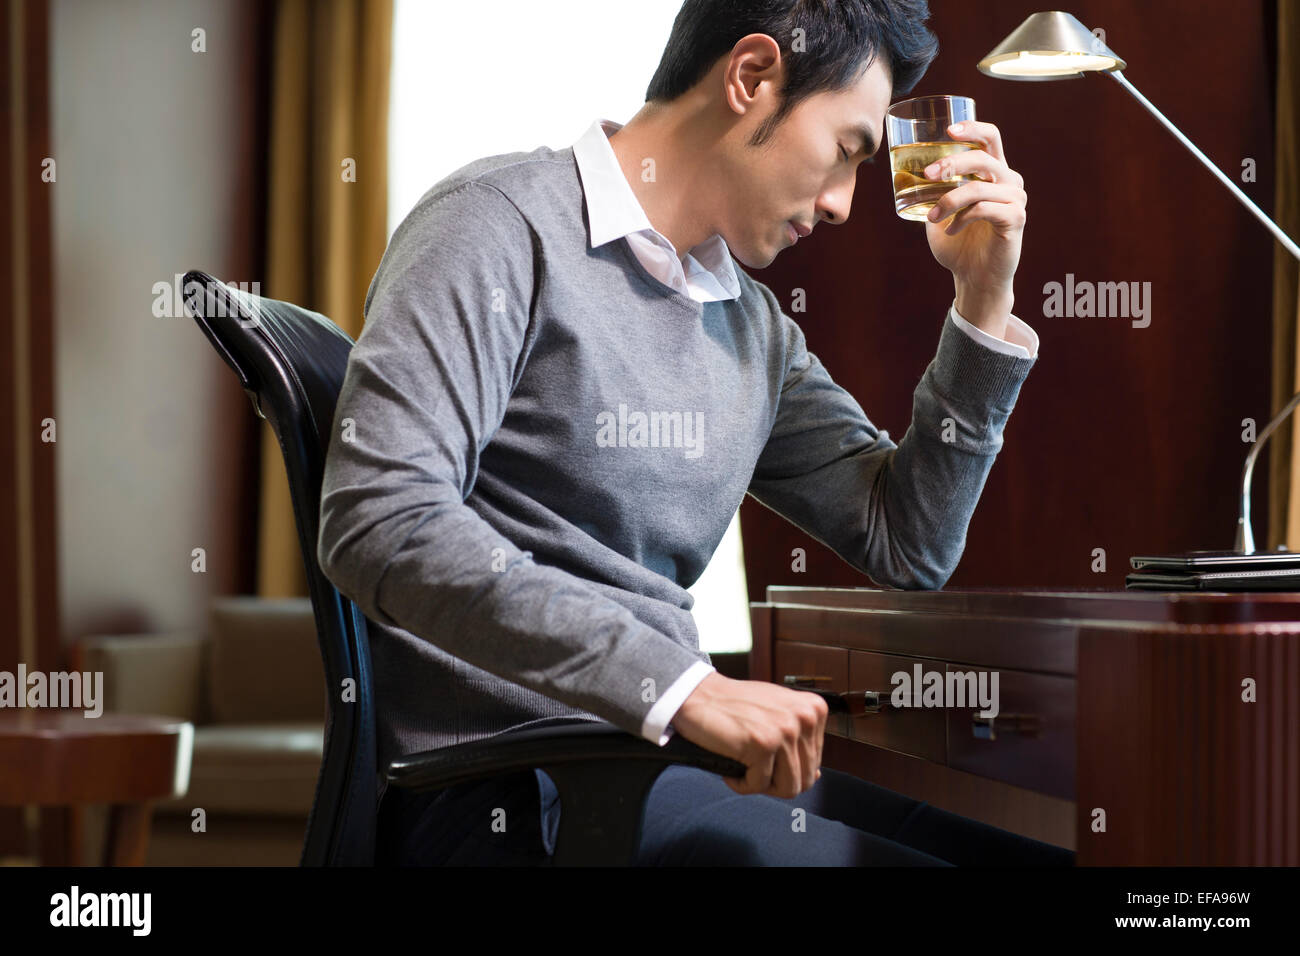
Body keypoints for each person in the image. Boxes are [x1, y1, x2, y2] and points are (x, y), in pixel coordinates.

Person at [320, 0, 1060, 866]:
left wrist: (983, 304)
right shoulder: (495, 225)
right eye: (845, 152)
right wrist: (678, 685)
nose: (843, 204)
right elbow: (379, 516)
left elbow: (909, 542)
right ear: (751, 77)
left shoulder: (751, 328)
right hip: (521, 790)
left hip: (664, 767)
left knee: (1044, 849)